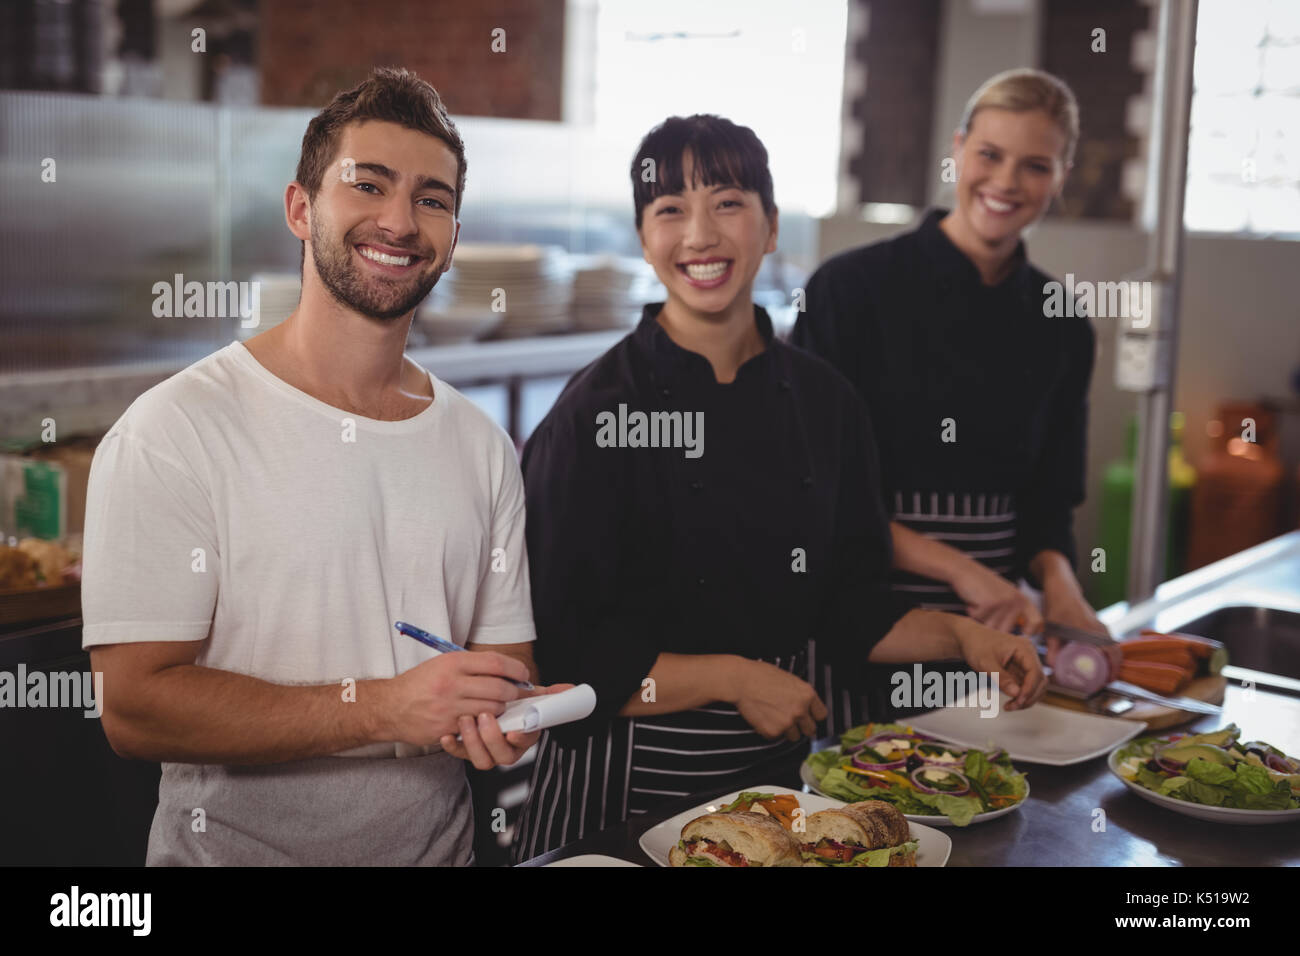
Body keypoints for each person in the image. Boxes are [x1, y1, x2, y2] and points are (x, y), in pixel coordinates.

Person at [509, 115, 1046, 863]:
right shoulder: (596, 413)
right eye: (670, 210)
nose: (699, 235)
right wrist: (734, 678)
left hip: (778, 789)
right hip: (621, 790)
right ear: (643, 237)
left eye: (728, 202)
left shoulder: (826, 404)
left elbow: (850, 608)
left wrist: (962, 635)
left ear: (769, 229)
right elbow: (561, 658)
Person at [81, 67, 565, 866]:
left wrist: (503, 711)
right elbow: (135, 710)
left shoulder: (481, 445)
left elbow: (506, 658)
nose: (400, 221)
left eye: (433, 199)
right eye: (367, 184)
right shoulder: (174, 430)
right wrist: (386, 709)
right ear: (302, 209)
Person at [792, 69, 1107, 669]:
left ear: (1061, 176)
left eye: (1036, 166)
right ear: (957, 150)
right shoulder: (849, 290)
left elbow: (1049, 503)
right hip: (863, 625)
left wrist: (1062, 583)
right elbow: (816, 491)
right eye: (989, 154)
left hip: (1002, 630)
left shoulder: (1062, 322)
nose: (1007, 182)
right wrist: (961, 571)